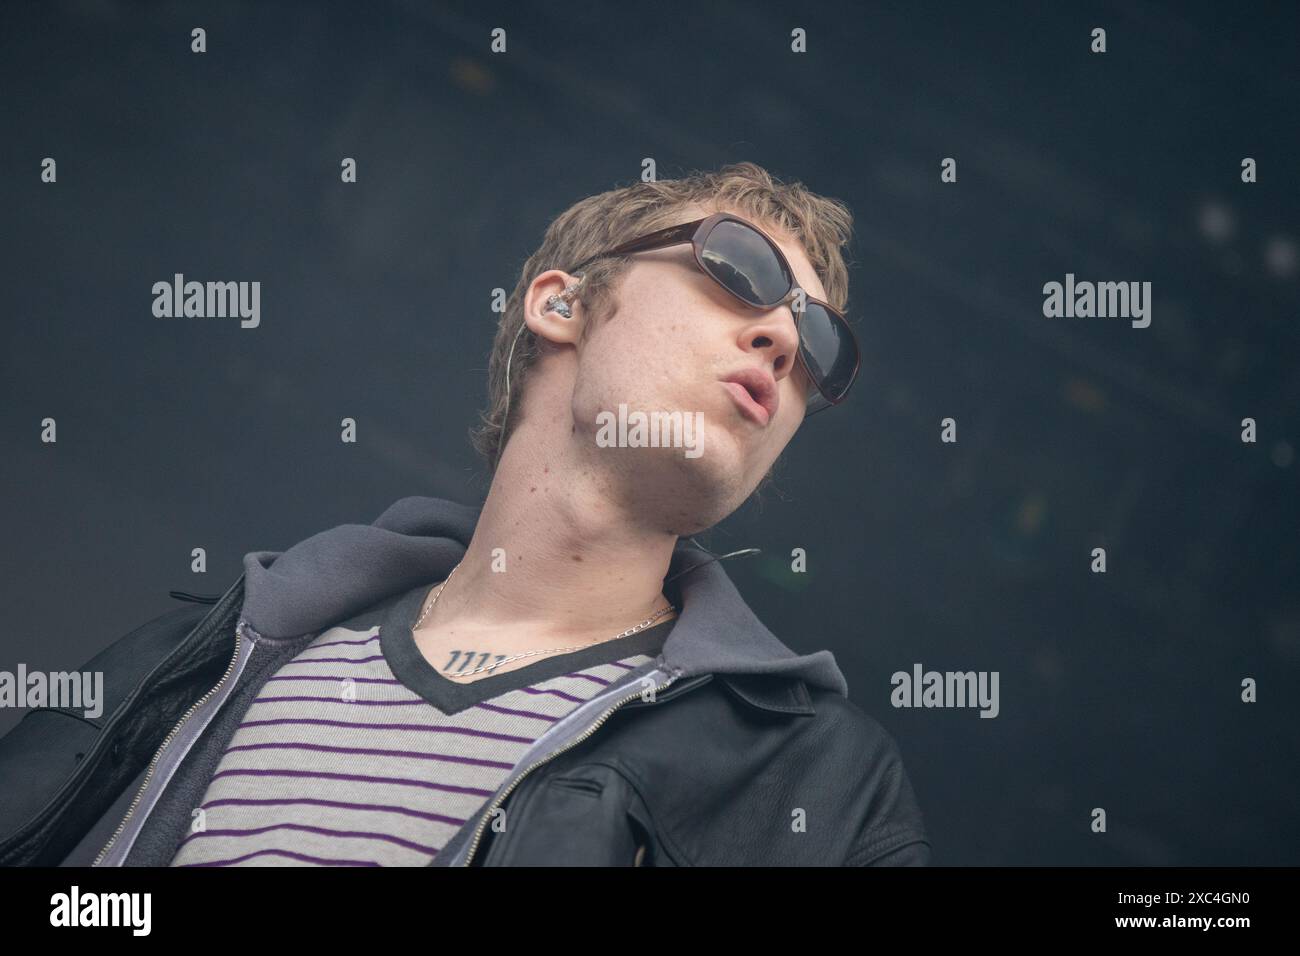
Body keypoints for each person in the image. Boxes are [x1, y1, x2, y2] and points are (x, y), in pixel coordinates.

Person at [0, 162, 930, 866]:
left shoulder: (811, 776)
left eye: (819, 344)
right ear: (562, 304)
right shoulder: (206, 657)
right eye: (739, 268)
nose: (780, 343)